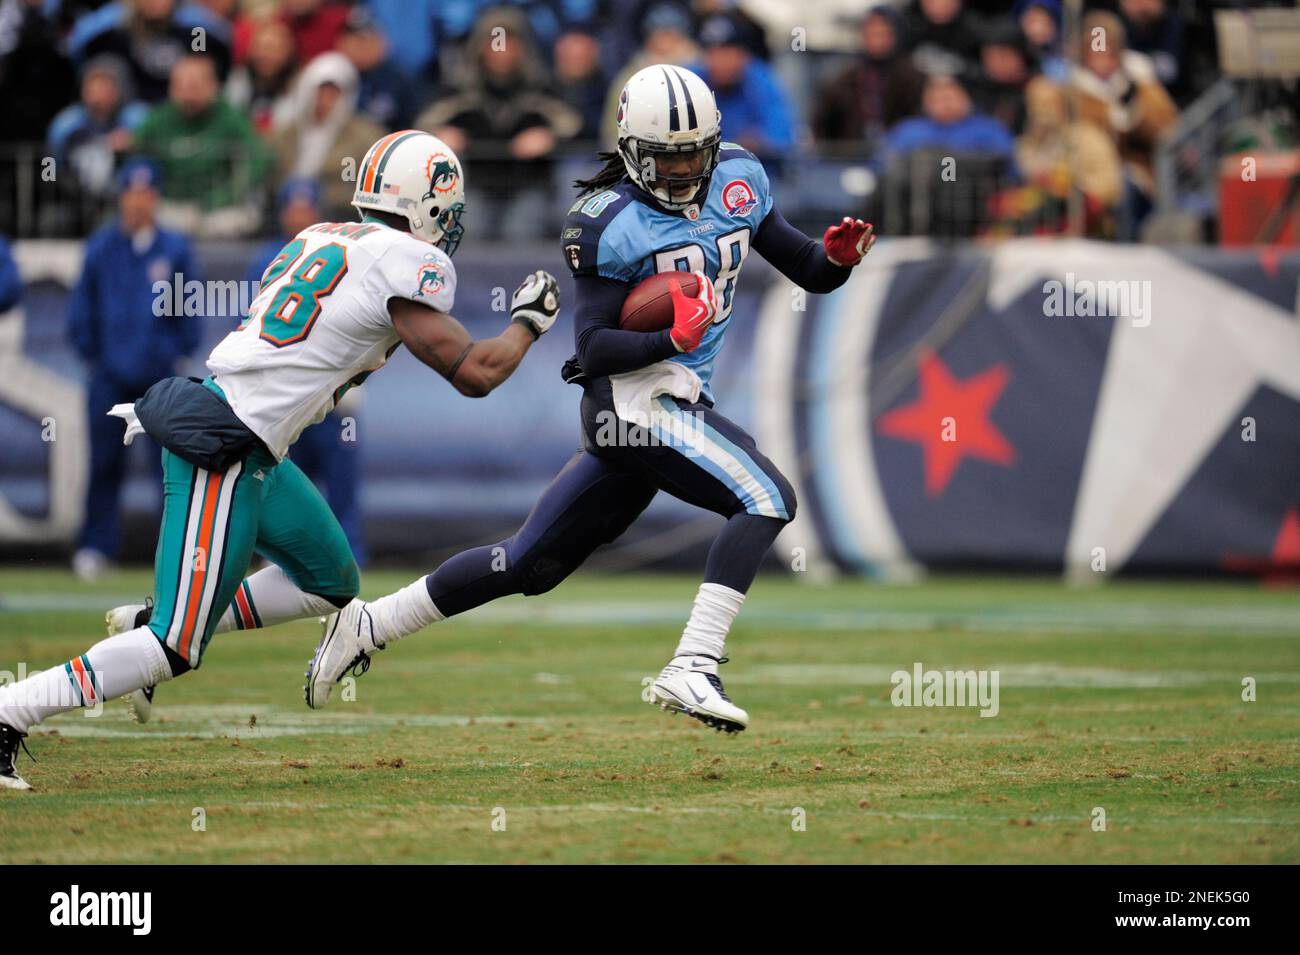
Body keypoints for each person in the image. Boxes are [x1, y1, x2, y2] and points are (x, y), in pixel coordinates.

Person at [300, 66, 877, 733]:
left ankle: (368, 623)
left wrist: (834, 261)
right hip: (633, 403)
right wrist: (670, 334)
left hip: (668, 400)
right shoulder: (609, 220)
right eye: (669, 155)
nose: (686, 166)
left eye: (695, 151)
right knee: (767, 496)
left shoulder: (740, 179)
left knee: (528, 563)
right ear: (633, 148)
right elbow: (593, 348)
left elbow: (805, 266)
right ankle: (694, 662)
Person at [0, 132, 561, 789]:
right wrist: (528, 321)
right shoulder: (406, 262)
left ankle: (152, 617)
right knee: (176, 647)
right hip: (229, 447)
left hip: (253, 440)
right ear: (426, 205)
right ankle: (13, 708)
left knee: (329, 580)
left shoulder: (324, 236)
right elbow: (475, 372)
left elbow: (336, 345)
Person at [67, 158, 201, 582]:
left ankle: (175, 553)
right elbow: (81, 312)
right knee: (103, 464)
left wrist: (171, 356)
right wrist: (96, 358)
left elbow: (189, 313)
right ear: (122, 196)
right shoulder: (101, 247)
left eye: (146, 193)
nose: (139, 201)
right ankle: (95, 546)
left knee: (171, 469)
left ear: (155, 198)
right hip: (109, 377)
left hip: (157, 381)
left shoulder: (174, 248)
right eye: (132, 192)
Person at [132, 55, 270, 238]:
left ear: (213, 86)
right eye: (180, 87)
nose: (187, 95)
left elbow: (258, 158)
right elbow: (134, 153)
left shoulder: (230, 117)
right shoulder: (159, 118)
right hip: (172, 205)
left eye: (194, 87)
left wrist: (227, 195)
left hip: (220, 208)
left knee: (236, 221)